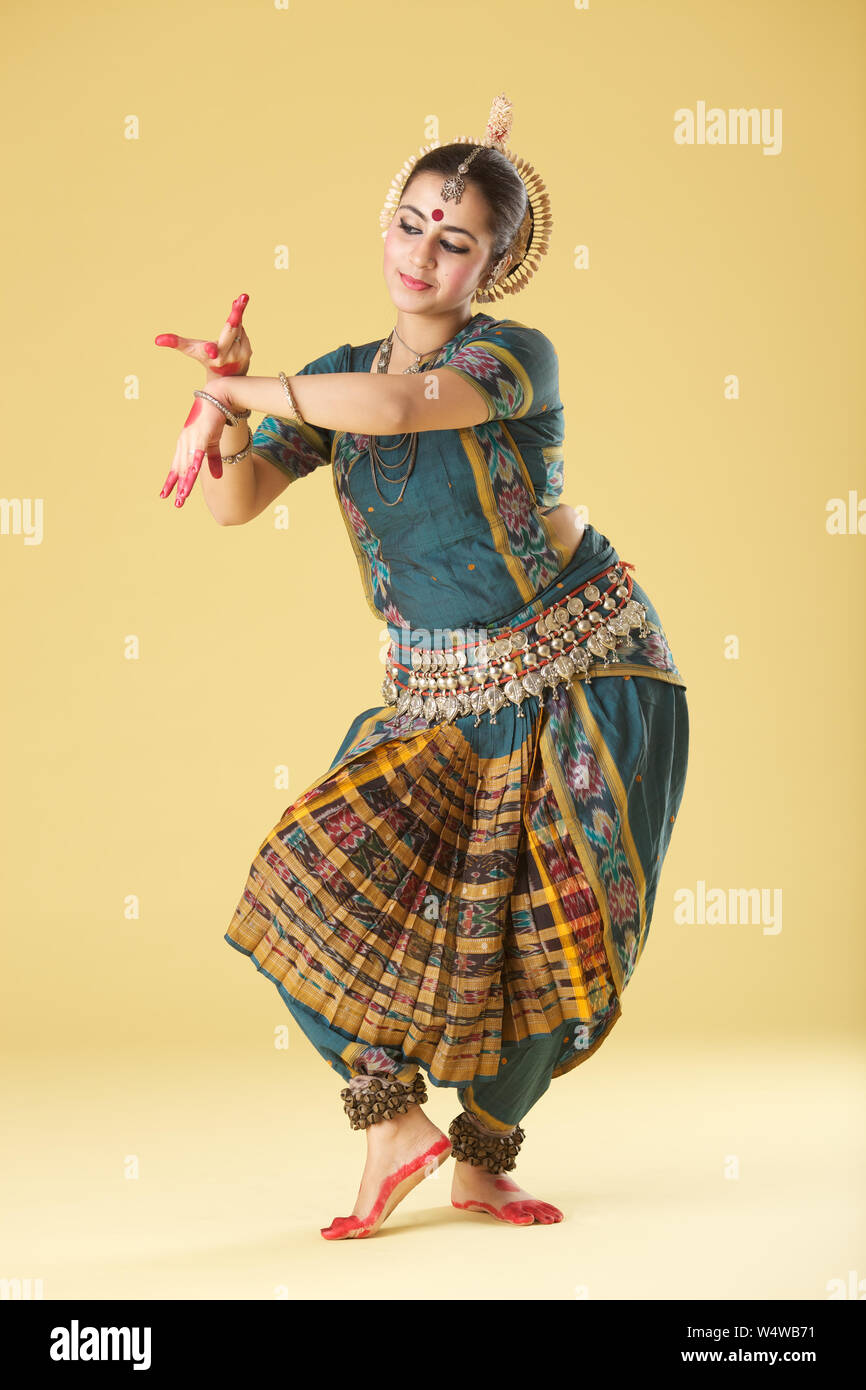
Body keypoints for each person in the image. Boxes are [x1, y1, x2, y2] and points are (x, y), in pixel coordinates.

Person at [156, 93, 689, 1240]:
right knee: (305, 872)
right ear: (384, 226)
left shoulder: (509, 359)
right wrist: (234, 412)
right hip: (440, 690)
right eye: (408, 224)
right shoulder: (335, 376)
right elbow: (238, 502)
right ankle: (394, 1128)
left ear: (491, 264)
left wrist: (232, 394)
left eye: (454, 239)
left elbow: (403, 408)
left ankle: (484, 1161)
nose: (422, 253)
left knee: (542, 928)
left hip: (584, 669)